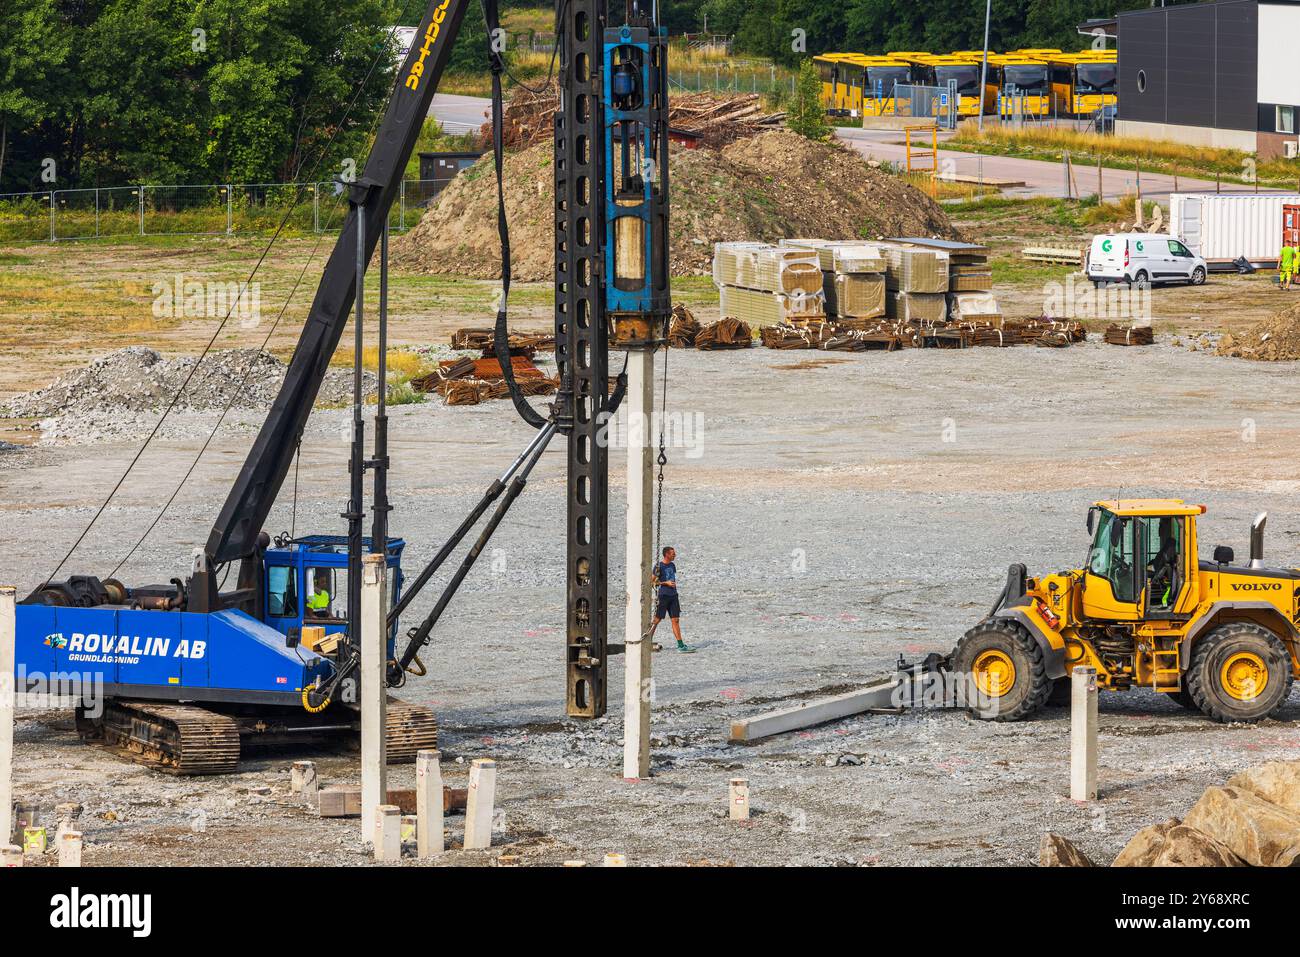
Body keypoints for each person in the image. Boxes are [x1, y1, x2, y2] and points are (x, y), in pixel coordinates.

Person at [647, 546, 691, 653]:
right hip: (663, 596)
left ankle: (680, 645)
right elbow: (651, 582)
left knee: (675, 620)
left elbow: (672, 578)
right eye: (673, 553)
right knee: (657, 620)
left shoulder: (672, 565)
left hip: (673, 596)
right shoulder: (658, 566)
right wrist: (665, 583)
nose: (674, 555)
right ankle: (647, 641)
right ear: (666, 554)